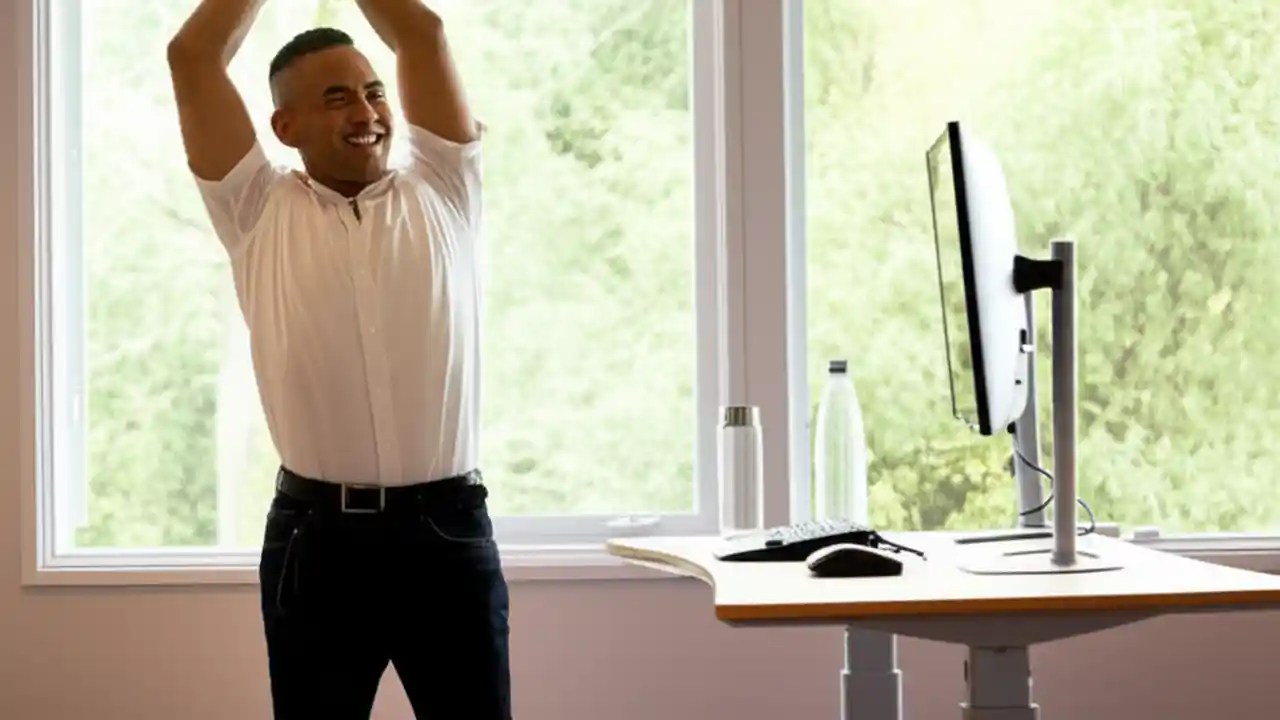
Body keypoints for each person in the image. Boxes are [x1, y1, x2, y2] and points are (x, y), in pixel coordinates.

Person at [166, 1, 510, 718]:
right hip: (317, 541)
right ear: (285, 128)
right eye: (336, 97)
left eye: (373, 90)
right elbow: (192, 56)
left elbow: (423, 32)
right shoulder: (255, 208)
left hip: (447, 532)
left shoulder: (446, 186)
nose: (366, 108)